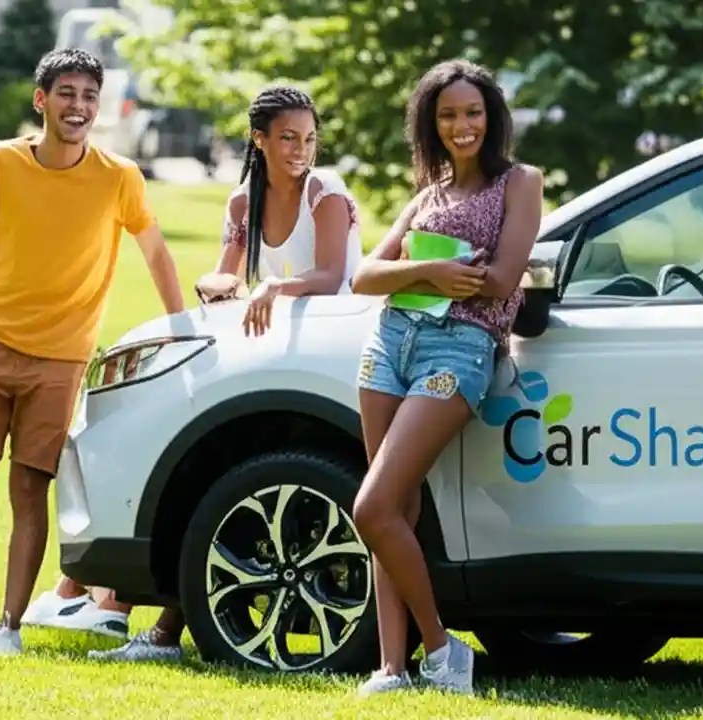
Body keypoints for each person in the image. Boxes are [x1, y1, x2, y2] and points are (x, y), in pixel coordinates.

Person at [87, 84, 364, 663]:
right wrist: (218, 288)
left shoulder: (325, 193)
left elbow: (334, 274)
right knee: (219, 471)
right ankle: (140, 619)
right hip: (277, 352)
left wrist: (273, 286)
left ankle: (150, 626)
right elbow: (225, 274)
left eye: (309, 138)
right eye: (287, 138)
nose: (301, 150)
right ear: (257, 140)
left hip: (334, 347)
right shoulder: (243, 203)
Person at [0, 47, 185, 656]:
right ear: (41, 100)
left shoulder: (118, 176)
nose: (78, 107)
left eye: (88, 96)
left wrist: (183, 323)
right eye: (67, 94)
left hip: (60, 360)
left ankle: (9, 626)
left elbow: (155, 252)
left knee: (29, 489)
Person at [349, 59, 543, 694]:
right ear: (432, 125)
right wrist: (424, 273)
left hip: (459, 350)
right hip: (390, 343)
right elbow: (364, 278)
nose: (463, 126)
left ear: (492, 117)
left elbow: (503, 280)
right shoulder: (427, 195)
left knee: (371, 507)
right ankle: (391, 667)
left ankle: (441, 646)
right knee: (394, 507)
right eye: (449, 115)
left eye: (474, 113)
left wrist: (425, 272)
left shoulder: (521, 182)